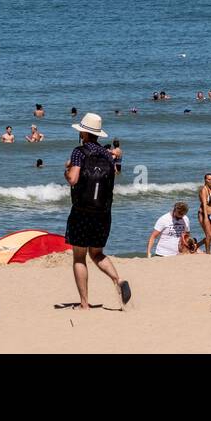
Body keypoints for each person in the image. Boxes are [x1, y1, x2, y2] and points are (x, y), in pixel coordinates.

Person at [64, 114, 129, 310]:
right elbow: (114, 175)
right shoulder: (108, 154)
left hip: (82, 211)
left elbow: (73, 179)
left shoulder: (79, 152)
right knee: (97, 253)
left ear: (83, 132)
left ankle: (84, 303)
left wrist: (66, 171)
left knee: (79, 256)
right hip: (103, 212)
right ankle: (117, 280)